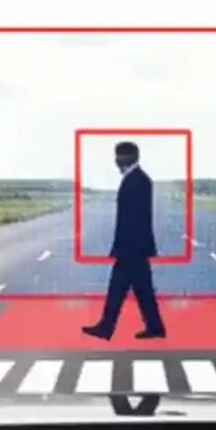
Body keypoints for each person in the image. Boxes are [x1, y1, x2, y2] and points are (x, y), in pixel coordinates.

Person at [82, 141, 167, 340]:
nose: (115, 161)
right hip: (135, 248)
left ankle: (107, 327)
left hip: (132, 248)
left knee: (118, 288)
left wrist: (124, 248)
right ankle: (154, 327)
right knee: (142, 290)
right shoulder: (136, 179)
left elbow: (133, 219)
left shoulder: (137, 180)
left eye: (118, 157)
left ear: (127, 158)